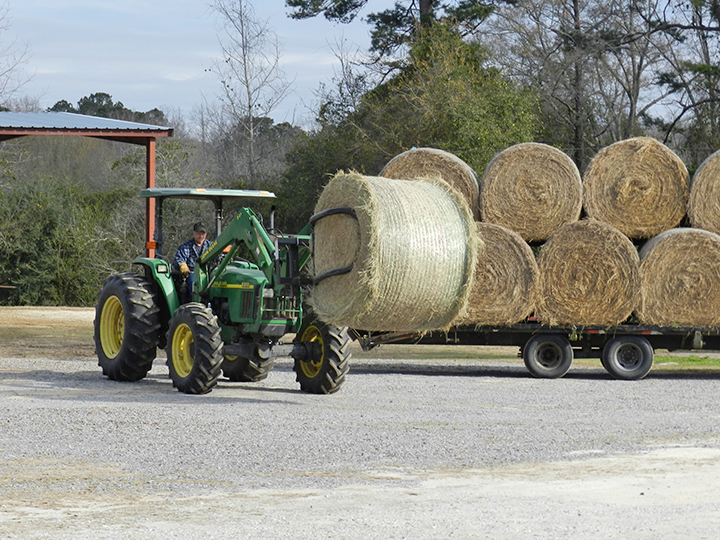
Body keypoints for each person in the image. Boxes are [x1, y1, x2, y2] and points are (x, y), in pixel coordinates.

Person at [173, 222, 211, 300]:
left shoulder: (211, 246)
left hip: (209, 273)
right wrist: (182, 265)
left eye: (202, 234)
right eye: (198, 234)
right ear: (193, 233)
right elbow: (178, 259)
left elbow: (219, 257)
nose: (200, 236)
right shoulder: (185, 246)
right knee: (195, 283)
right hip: (192, 273)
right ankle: (194, 303)